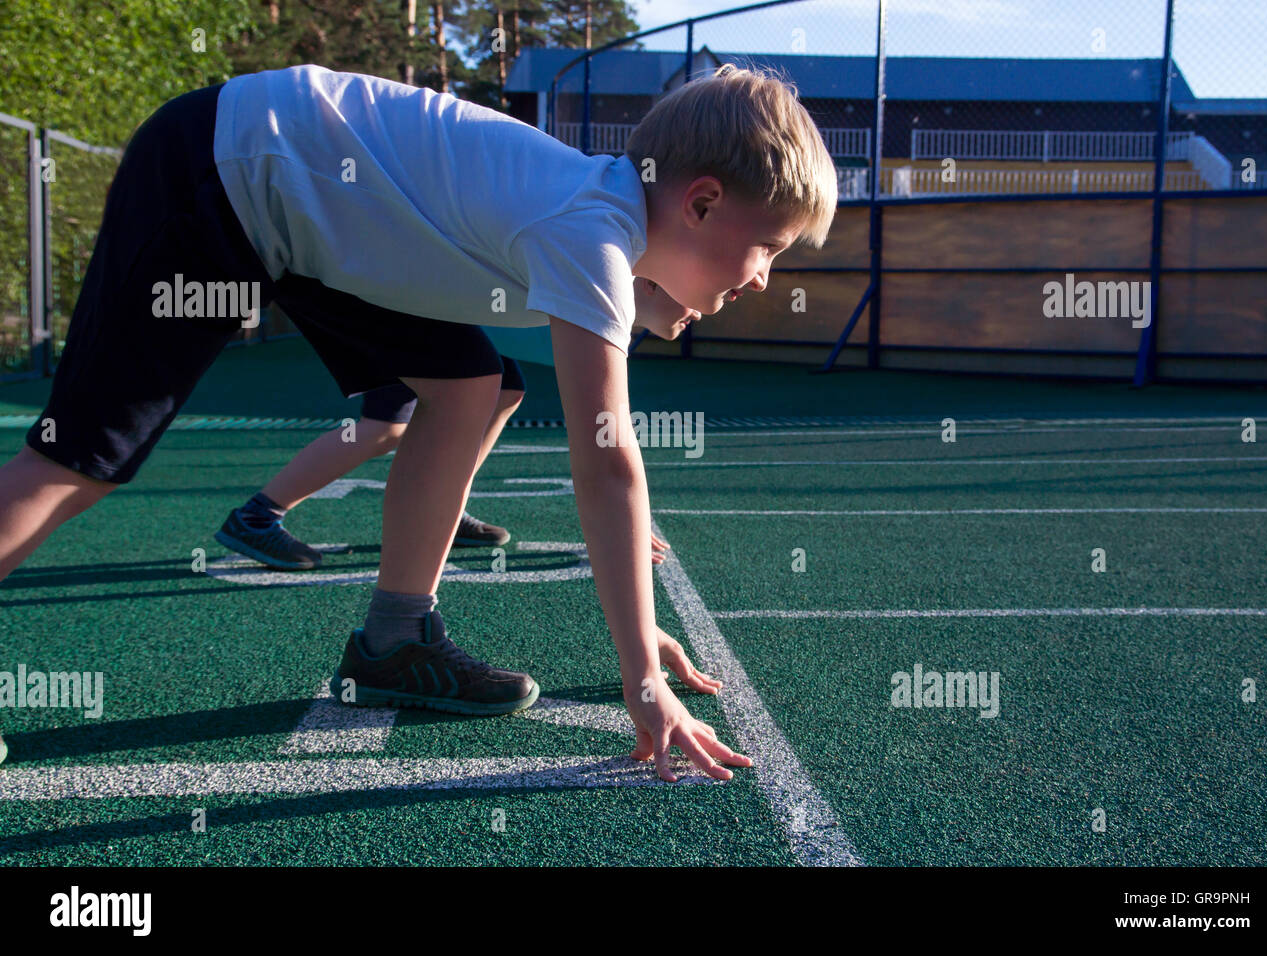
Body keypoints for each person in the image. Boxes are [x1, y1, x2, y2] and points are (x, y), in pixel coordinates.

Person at [0, 62, 837, 781]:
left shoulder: (592, 212)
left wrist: (640, 622)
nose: (765, 278)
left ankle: (393, 643)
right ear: (700, 203)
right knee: (78, 461)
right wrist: (643, 676)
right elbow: (609, 460)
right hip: (221, 166)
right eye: (771, 246)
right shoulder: (591, 233)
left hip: (298, 207)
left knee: (472, 385)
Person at [215, 284, 678, 571]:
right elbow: (599, 440)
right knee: (383, 427)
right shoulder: (599, 294)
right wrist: (619, 528)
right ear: (652, 284)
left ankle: (447, 509)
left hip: (454, 304)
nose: (753, 281)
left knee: (504, 390)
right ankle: (256, 515)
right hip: (406, 286)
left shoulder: (612, 298)